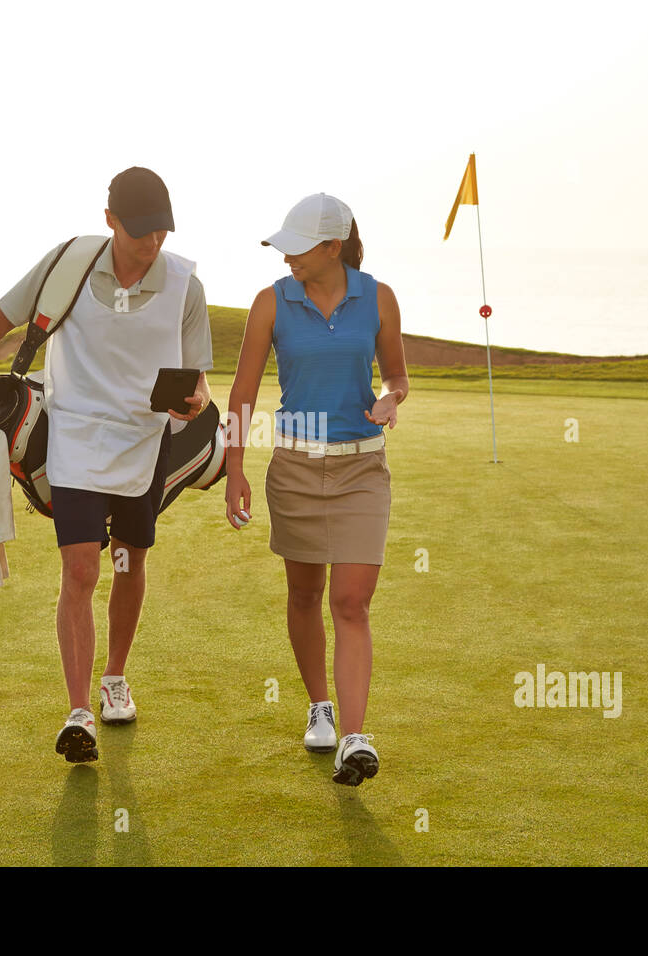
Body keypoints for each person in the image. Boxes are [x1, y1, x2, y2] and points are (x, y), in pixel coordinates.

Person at [0, 167, 214, 763]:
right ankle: (78, 710)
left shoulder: (185, 284)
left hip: (144, 442)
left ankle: (115, 680)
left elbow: (200, 378)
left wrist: (198, 399)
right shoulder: (69, 264)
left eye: (161, 232)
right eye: (140, 233)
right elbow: (1, 320)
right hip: (75, 439)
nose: (152, 245)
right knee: (80, 572)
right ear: (110, 221)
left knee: (130, 564)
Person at [224, 194, 408, 786]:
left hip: (362, 470)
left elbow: (397, 375)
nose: (285, 258)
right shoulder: (270, 303)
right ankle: (319, 706)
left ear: (333, 248)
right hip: (296, 469)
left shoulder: (377, 297)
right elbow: (242, 394)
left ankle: (355, 738)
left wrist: (391, 397)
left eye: (296, 248)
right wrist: (234, 468)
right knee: (304, 594)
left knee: (350, 602)